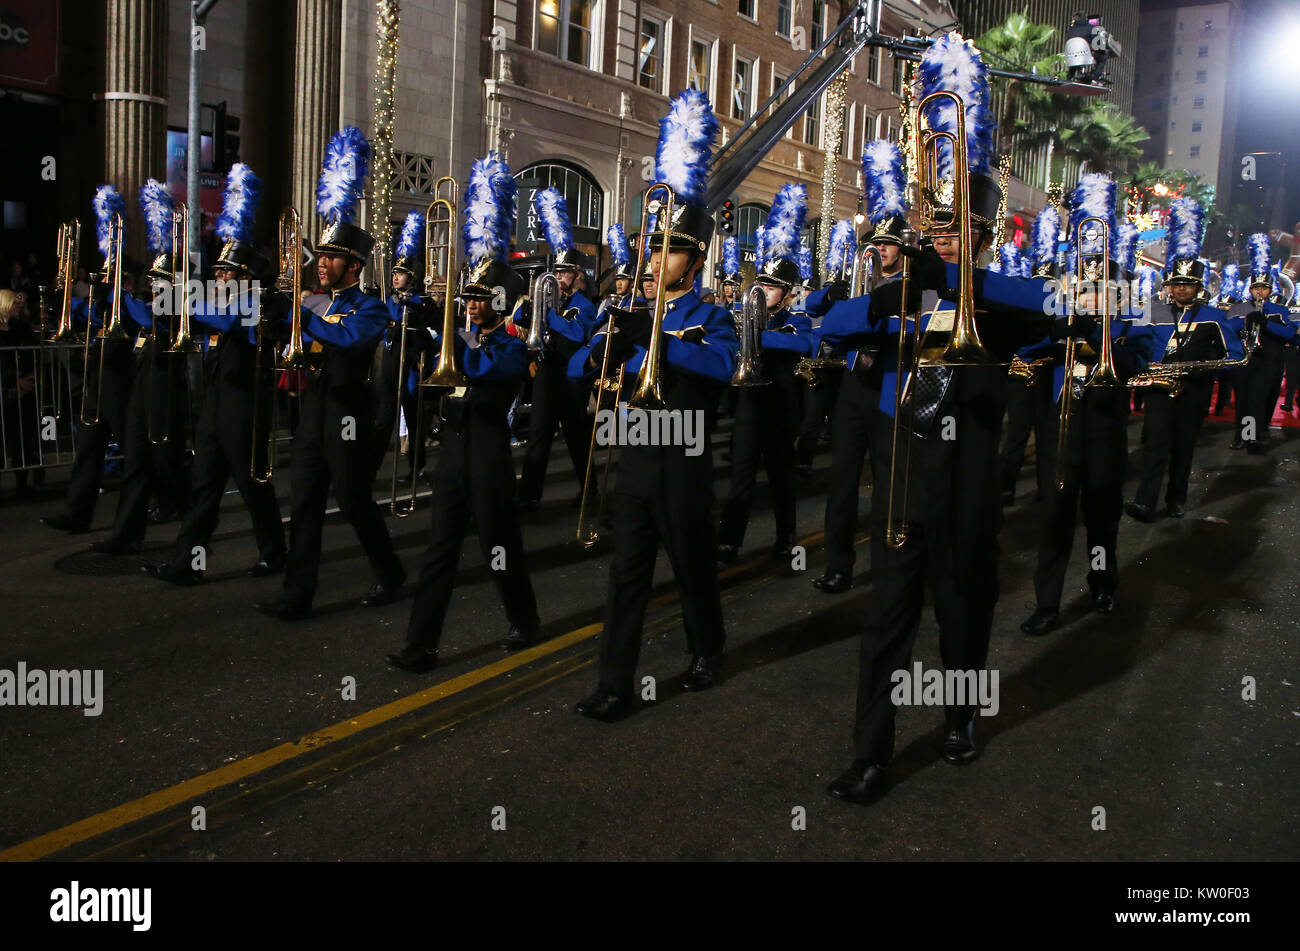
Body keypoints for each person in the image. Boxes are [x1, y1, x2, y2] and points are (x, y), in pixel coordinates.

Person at [822, 33, 1059, 804]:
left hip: (968, 474)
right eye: (936, 229)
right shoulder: (904, 290)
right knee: (888, 617)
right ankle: (870, 753)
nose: (944, 239)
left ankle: (959, 717)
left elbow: (1058, 307)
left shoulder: (1001, 300)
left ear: (984, 237)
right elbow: (833, 328)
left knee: (963, 605)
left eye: (959, 230)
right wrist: (897, 291)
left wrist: (958, 280)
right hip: (903, 469)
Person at [569, 89, 738, 721]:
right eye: (652, 246)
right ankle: (615, 683)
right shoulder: (630, 311)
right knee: (627, 574)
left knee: (692, 565)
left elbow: (722, 367)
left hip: (685, 452)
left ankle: (706, 648)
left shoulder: (710, 316)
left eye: (669, 249)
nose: (654, 257)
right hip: (638, 449)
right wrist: (602, 352)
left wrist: (659, 339)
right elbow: (574, 366)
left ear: (694, 262)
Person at [387, 153, 540, 671]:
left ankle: (524, 618)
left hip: (488, 451)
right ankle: (421, 644)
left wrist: (443, 336)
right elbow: (434, 382)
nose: (472, 305)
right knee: (440, 549)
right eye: (468, 298)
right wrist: (417, 340)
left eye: (480, 299)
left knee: (499, 544)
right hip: (453, 450)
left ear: (501, 302)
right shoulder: (460, 336)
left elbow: (480, 370)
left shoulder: (512, 346)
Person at [257, 127, 404, 620]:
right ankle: (296, 594)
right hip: (314, 407)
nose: (321, 263)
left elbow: (350, 340)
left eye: (332, 256)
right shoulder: (315, 300)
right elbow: (298, 342)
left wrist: (303, 316)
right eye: (320, 255)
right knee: (303, 504)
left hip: (349, 411)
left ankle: (389, 571)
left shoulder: (370, 307)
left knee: (353, 500)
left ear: (354, 265)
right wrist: (276, 319)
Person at [1020, 178, 1155, 636]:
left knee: (1102, 511)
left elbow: (1138, 356)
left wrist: (1098, 336)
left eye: (1100, 288)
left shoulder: (1130, 310)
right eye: (1084, 287)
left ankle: (1101, 583)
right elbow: (1028, 346)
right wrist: (1056, 334)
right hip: (1062, 417)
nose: (1091, 294)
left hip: (1104, 418)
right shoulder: (1060, 307)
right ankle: (1047, 601)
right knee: (1055, 513)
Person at [144, 164, 285, 585]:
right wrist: (169, 293)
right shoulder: (219, 302)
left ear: (247, 277)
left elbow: (223, 321)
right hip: (214, 409)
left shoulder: (257, 304)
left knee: (253, 487)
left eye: (227, 273)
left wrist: (184, 298)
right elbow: (172, 314)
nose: (220, 277)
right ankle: (187, 564)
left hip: (245, 410)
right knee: (203, 490)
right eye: (219, 272)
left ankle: (274, 553)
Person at [811, 147, 907, 594]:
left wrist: (866, 316)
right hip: (853, 386)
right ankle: (839, 565)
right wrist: (840, 291)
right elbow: (823, 317)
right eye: (876, 243)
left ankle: (889, 564)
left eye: (888, 244)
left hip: (890, 386)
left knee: (888, 482)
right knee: (843, 481)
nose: (881, 250)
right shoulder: (858, 281)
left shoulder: (914, 285)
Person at [79, 181, 192, 554]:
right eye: (153, 280)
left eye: (160, 280)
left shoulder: (178, 307)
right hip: (142, 392)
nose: (153, 285)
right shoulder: (147, 301)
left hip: (165, 393)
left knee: (168, 464)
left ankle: (194, 522)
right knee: (137, 465)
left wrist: (121, 296)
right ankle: (126, 535)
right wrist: (110, 297)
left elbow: (147, 317)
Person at [1126, 198, 1241, 522]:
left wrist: (1207, 368)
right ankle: (1145, 502)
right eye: (1176, 284)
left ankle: (1176, 499)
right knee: (1154, 448)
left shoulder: (1214, 316)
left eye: (1187, 285)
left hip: (1193, 391)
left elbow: (1235, 354)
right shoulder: (1152, 310)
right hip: (1158, 390)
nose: (1180, 289)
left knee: (1183, 448)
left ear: (1197, 287)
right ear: (1168, 285)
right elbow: (1133, 344)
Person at [716, 184, 813, 565]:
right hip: (749, 405)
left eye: (772, 287)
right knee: (740, 477)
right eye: (762, 285)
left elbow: (802, 344)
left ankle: (787, 536)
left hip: (781, 407)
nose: (765, 291)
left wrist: (756, 333)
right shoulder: (745, 316)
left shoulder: (795, 320)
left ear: (787, 294)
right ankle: (729, 540)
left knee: (780, 477)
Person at [515, 188, 599, 510]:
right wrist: (529, 308)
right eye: (558, 271)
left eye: (565, 272)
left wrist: (549, 315)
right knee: (538, 437)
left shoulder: (583, 305)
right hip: (547, 373)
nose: (560, 277)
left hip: (571, 378)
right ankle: (529, 495)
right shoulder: (550, 298)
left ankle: (590, 491)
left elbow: (577, 333)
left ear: (577, 275)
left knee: (577, 440)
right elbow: (523, 322)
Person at [370, 210, 437, 484]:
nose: (395, 277)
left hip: (409, 366)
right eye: (395, 273)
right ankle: (371, 469)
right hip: (389, 364)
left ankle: (416, 467)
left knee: (413, 419)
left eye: (401, 274)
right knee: (383, 420)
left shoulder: (421, 303)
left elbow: (428, 332)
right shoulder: (390, 300)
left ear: (412, 278)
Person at [1227, 234, 1296, 454]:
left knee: (1256, 400)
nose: (1259, 292)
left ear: (1270, 290)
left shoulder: (1279, 310)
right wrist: (1245, 322)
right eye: (1256, 287)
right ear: (1250, 289)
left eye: (1264, 288)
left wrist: (1266, 323)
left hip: (1267, 361)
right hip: (1243, 359)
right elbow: (1227, 331)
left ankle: (1251, 437)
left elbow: (1290, 333)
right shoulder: (1239, 308)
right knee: (1243, 400)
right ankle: (1241, 435)